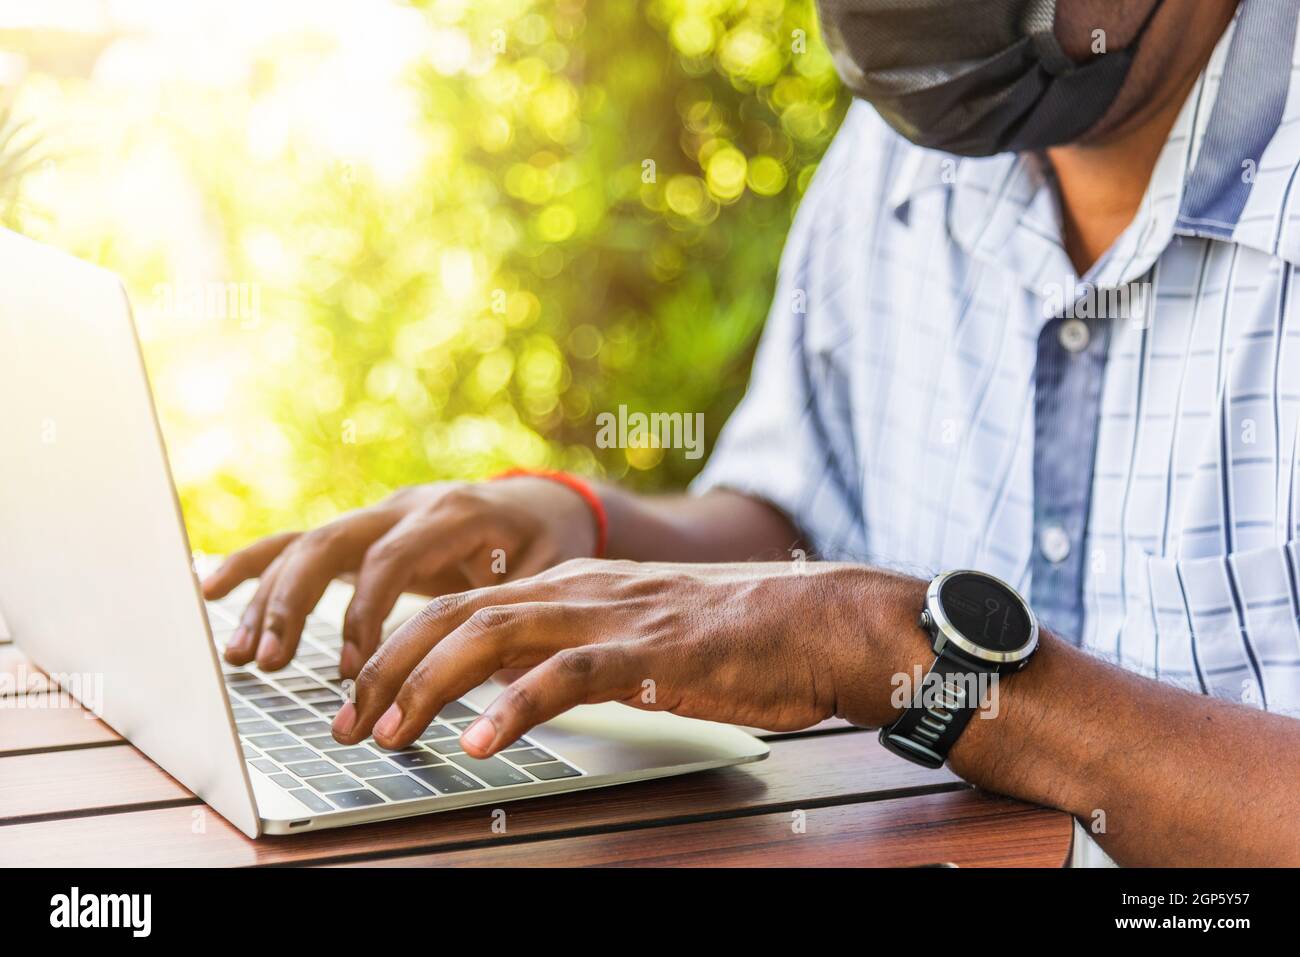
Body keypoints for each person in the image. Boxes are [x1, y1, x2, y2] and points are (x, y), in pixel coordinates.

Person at [203, 0, 1300, 865]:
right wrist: (581, 527)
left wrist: (892, 653)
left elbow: (843, 627)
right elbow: (794, 525)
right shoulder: (896, 155)